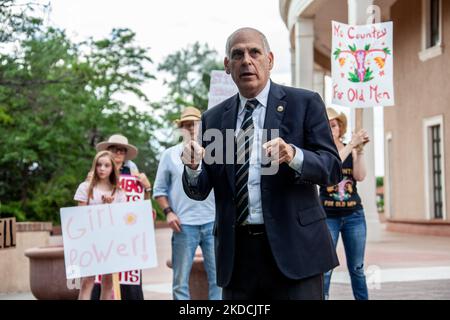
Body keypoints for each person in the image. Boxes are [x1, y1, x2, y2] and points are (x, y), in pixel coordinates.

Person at [181, 27, 342, 300]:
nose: (246, 60)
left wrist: (294, 155)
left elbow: (332, 169)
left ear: (269, 60)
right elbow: (200, 190)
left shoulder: (304, 103)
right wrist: (194, 167)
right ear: (227, 65)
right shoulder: (214, 118)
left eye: (254, 52)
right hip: (238, 259)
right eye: (237, 54)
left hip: (295, 252)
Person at [153, 106, 221, 300]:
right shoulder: (169, 155)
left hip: (212, 223)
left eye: (195, 124)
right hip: (184, 225)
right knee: (180, 282)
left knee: (218, 279)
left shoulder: (213, 153)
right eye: (187, 124)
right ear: (181, 127)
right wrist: (168, 212)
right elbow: (159, 190)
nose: (191, 128)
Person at [90, 134, 152, 300]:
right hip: (103, 236)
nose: (118, 153)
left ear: (125, 154)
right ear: (107, 152)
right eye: (114, 150)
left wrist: (147, 188)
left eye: (121, 150)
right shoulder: (94, 176)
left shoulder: (134, 174)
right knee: (100, 281)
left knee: (129, 283)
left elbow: (142, 207)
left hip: (127, 237)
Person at [320, 108, 370, 300]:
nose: (331, 128)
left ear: (340, 128)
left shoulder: (352, 149)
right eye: (327, 125)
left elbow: (360, 176)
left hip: (354, 215)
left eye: (334, 125)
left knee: (357, 267)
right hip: (327, 215)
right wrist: (351, 145)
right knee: (325, 268)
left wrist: (360, 150)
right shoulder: (321, 150)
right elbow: (330, 165)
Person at [74, 150, 127, 300]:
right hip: (89, 240)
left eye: (106, 165)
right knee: (87, 281)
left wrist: (109, 207)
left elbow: (121, 220)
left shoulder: (119, 192)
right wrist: (101, 207)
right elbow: (80, 216)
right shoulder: (85, 187)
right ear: (94, 167)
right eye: (99, 165)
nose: (102, 169)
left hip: (110, 241)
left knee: (108, 282)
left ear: (112, 168)